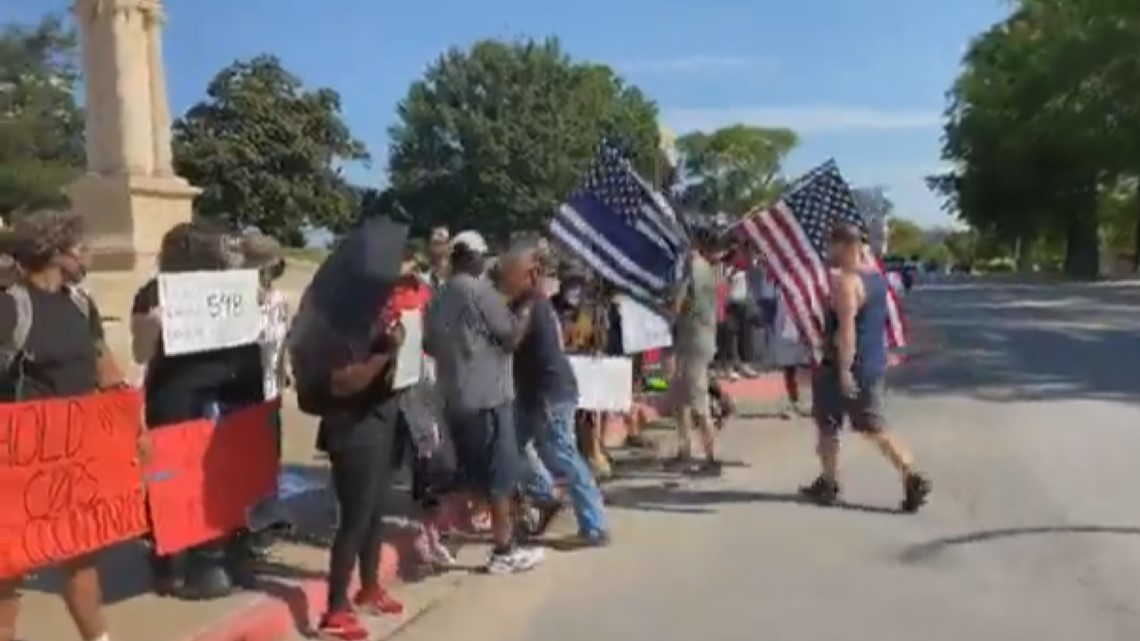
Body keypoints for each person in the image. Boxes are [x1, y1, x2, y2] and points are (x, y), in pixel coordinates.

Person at [0, 210, 130, 641]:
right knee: (8, 574)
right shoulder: (9, 308)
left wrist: (130, 419)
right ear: (57, 252)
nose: (88, 255)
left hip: (72, 462)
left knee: (81, 561)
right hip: (19, 467)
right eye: (82, 248)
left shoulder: (81, 304)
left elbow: (102, 363)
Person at [132, 221, 265, 600]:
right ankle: (184, 563)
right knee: (181, 480)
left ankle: (217, 558)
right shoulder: (160, 293)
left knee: (208, 480)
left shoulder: (234, 290)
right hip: (193, 400)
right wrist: (153, 327)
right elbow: (143, 351)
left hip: (213, 399)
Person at [424, 230, 544, 575]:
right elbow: (509, 337)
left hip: (456, 397)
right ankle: (504, 551)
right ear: (474, 257)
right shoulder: (478, 291)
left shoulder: (440, 295)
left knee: (471, 477)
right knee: (499, 477)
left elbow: (430, 344)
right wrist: (528, 306)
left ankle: (433, 537)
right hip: (488, 398)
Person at [799, 222, 931, 512]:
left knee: (828, 426)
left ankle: (830, 482)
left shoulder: (847, 282)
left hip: (843, 365)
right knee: (875, 427)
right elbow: (865, 255)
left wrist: (844, 370)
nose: (827, 252)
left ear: (845, 247)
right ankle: (909, 473)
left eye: (831, 246)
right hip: (872, 361)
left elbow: (846, 331)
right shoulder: (875, 275)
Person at [310, 268, 412, 640]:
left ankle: (369, 588)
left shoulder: (374, 323)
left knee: (374, 513)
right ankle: (335, 610)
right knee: (354, 519)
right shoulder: (336, 328)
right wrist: (385, 355)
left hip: (380, 424)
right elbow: (343, 381)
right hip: (352, 432)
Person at [504, 243, 610, 546]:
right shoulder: (527, 302)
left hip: (550, 393)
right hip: (533, 393)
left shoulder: (531, 304)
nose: (504, 280)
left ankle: (594, 524)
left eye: (509, 274)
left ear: (529, 274)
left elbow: (510, 340)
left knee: (563, 454)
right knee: (513, 446)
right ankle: (544, 494)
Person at [668, 226, 722, 475]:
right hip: (700, 336)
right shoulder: (709, 269)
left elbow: (678, 304)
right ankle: (685, 448)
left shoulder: (691, 268)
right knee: (680, 395)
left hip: (693, 338)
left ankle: (711, 457)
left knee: (696, 397)